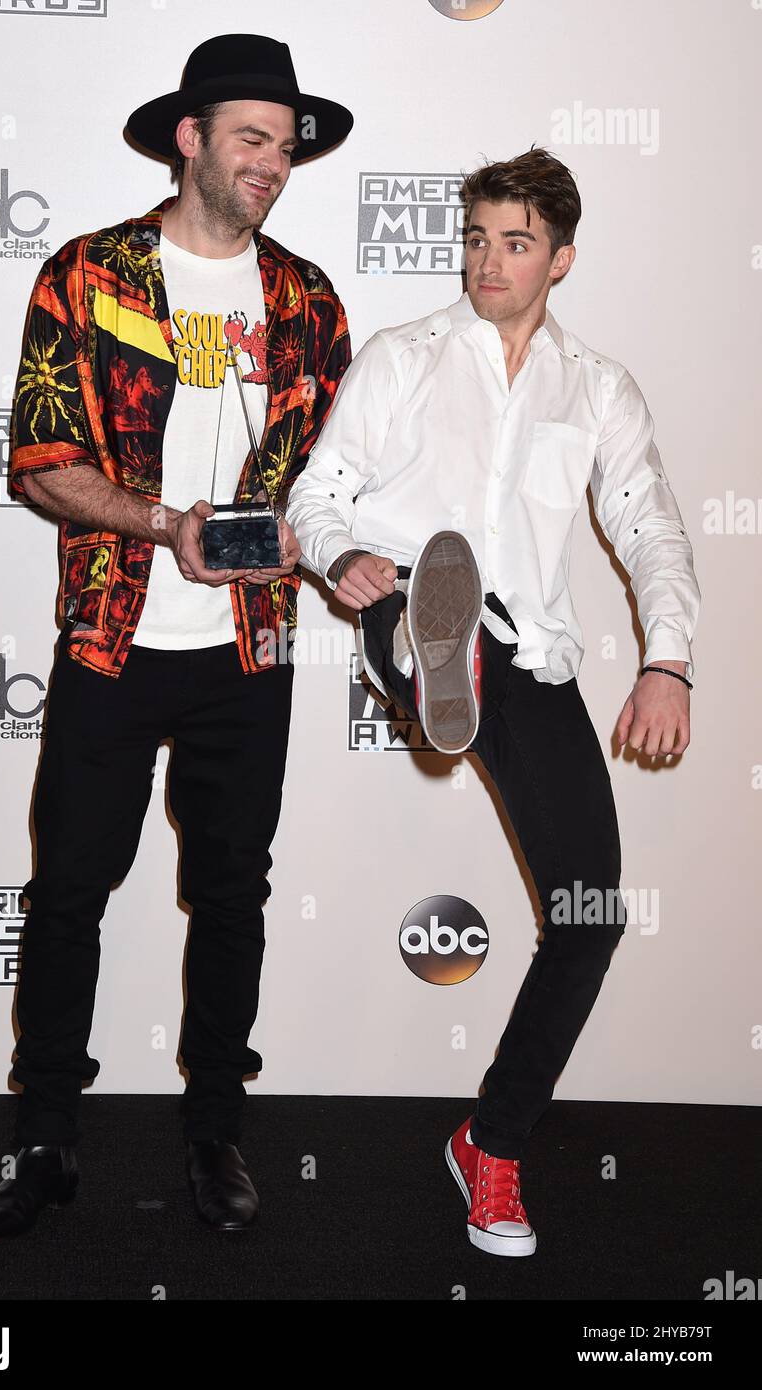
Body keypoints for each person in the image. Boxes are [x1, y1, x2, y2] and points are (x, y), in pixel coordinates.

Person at [0, 33, 352, 1240]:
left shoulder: (307, 300)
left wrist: (320, 540)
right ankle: (42, 1139)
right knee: (70, 887)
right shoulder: (88, 277)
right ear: (189, 137)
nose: (271, 164)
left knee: (233, 891)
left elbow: (332, 480)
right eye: (251, 137)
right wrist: (165, 525)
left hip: (250, 647)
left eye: (285, 147)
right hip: (112, 640)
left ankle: (214, 1130)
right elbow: (43, 462)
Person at [286, 148, 700, 1257]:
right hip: (401, 592)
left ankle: (492, 1143)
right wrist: (341, 564)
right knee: (420, 586)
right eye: (474, 238)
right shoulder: (405, 356)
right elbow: (316, 498)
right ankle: (429, 653)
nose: (486, 261)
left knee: (592, 908)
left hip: (528, 657)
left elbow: (650, 525)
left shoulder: (597, 387)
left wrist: (668, 659)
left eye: (514, 243)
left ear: (561, 259)